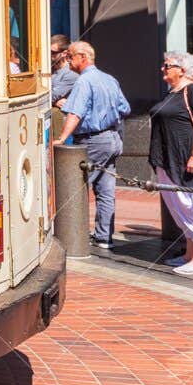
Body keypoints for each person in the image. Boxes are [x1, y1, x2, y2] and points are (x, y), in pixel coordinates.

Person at [54, 40, 130, 249]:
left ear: (83, 57)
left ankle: (72, 239)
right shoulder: (109, 79)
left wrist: (62, 138)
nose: (67, 60)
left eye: (69, 56)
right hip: (112, 138)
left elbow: (75, 113)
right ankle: (104, 237)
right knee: (106, 190)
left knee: (76, 187)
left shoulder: (83, 82)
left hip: (93, 140)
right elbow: (125, 108)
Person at [149, 51, 193, 276]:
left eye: (167, 65)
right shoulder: (173, 92)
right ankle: (190, 254)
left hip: (185, 161)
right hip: (167, 160)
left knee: (192, 205)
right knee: (179, 206)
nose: (162, 68)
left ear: (182, 69)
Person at [49, 35, 76, 108]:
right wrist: (55, 102)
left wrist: (53, 101)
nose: (49, 55)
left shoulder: (71, 73)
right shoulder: (48, 66)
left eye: (53, 52)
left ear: (64, 53)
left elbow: (52, 96)